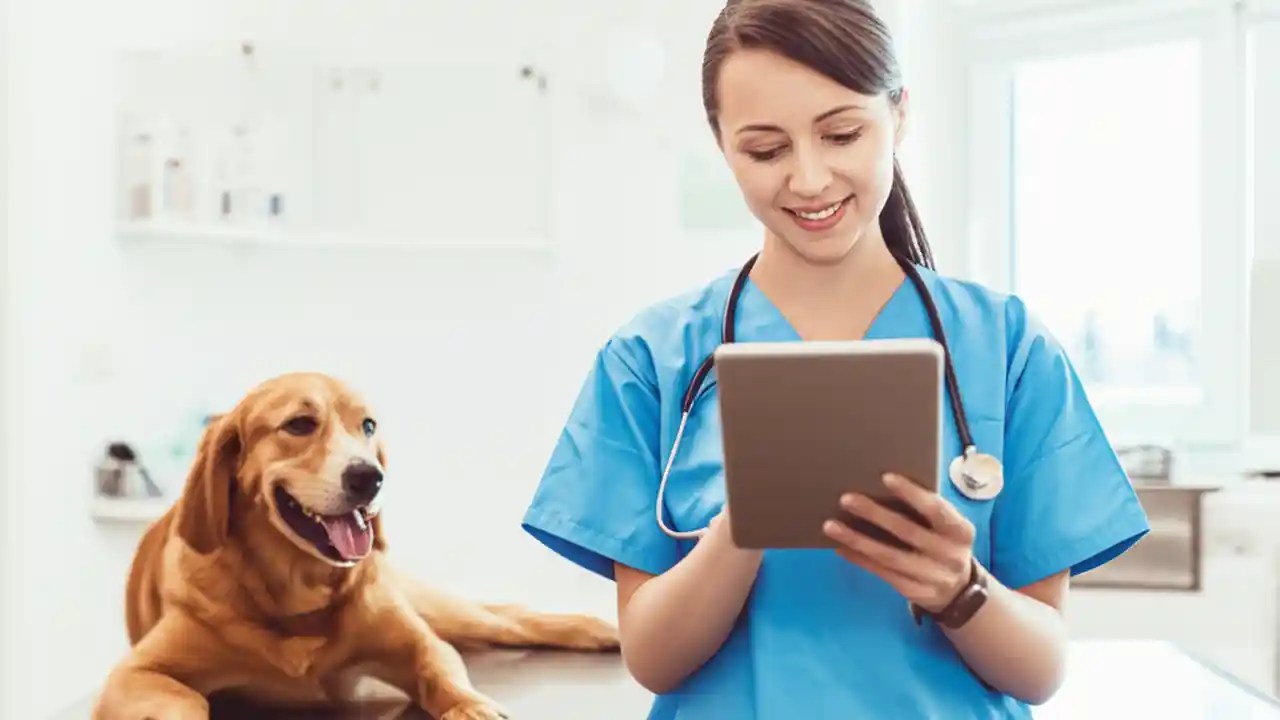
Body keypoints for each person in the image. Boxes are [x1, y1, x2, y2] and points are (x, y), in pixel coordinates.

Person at [520, 0, 1151, 717]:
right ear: (720, 141)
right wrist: (746, 521)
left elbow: (1040, 669)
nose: (811, 179)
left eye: (843, 133)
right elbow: (654, 660)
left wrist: (959, 587)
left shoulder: (1008, 348)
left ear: (899, 116)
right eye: (766, 149)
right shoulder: (651, 360)